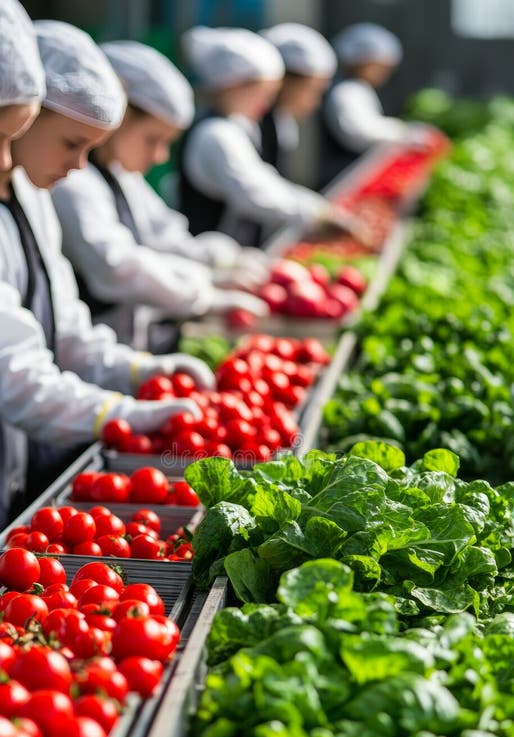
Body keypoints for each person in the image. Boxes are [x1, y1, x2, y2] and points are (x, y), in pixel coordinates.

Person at [0, 19, 213, 528]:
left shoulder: (32, 197)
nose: (79, 167)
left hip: (27, 447)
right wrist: (124, 413)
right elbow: (15, 375)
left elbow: (66, 332)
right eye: (71, 143)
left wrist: (138, 371)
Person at [52, 40, 266, 345]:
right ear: (119, 115)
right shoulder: (72, 181)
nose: (159, 156)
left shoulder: (119, 174)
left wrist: (220, 263)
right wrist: (202, 294)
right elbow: (115, 265)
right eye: (153, 139)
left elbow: (163, 236)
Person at [178, 26, 341, 247]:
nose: (266, 105)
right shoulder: (216, 134)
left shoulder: (237, 126)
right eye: (264, 95)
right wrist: (317, 215)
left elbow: (266, 180)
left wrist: (318, 209)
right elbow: (255, 191)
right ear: (233, 86)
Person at [321, 22, 432, 188]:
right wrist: (404, 133)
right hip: (343, 178)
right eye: (380, 67)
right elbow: (360, 132)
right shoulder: (347, 90)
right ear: (360, 61)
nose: (384, 75)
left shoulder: (359, 89)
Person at [258, 23, 337, 177]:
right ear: (283, 81)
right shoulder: (245, 128)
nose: (316, 102)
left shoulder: (283, 123)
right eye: (313, 90)